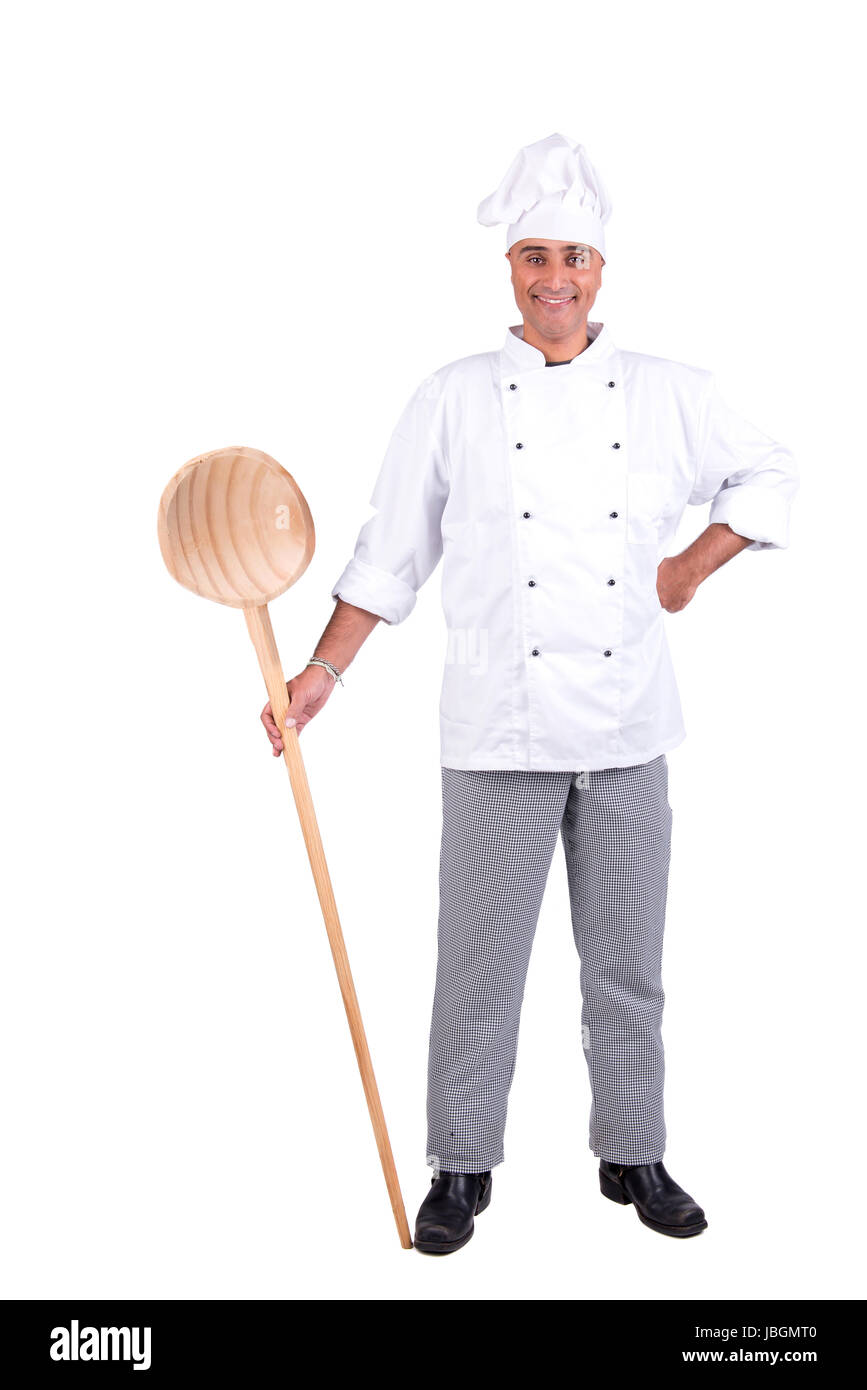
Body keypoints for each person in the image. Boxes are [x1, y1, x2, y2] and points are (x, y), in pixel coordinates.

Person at [260, 133, 799, 1255]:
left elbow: (773, 474)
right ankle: (461, 1165)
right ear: (510, 267)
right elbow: (390, 556)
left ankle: (634, 1149)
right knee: (478, 964)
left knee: (628, 963)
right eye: (536, 256)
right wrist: (320, 673)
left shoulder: (669, 393)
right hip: (496, 732)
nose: (557, 277)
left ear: (604, 270)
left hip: (628, 728)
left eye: (577, 258)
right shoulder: (452, 397)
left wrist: (692, 565)